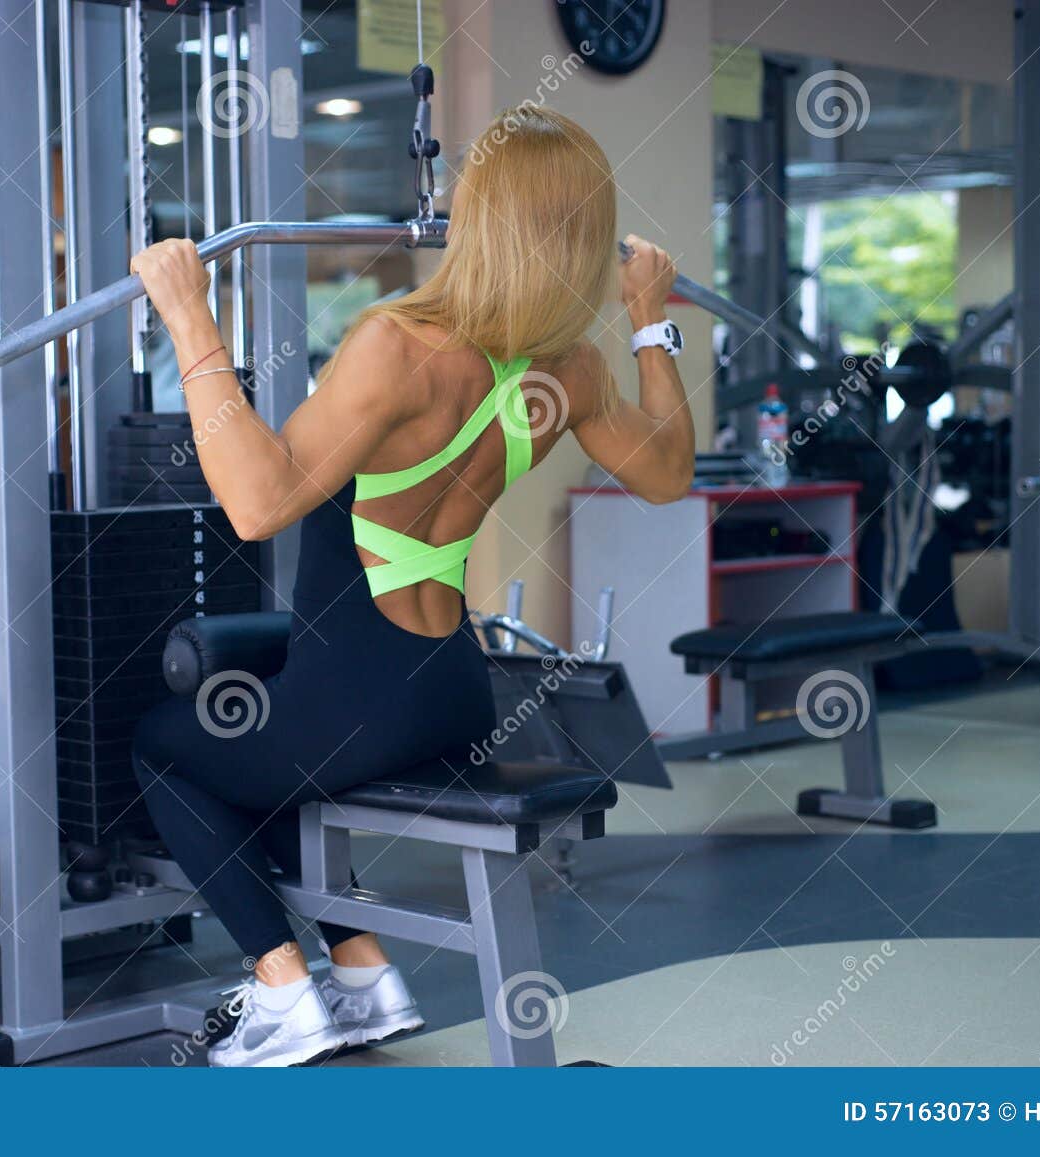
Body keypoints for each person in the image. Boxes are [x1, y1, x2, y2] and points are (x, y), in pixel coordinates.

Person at [127, 106, 695, 1067]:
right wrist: (652, 321)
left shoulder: (397, 346)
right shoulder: (575, 368)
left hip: (353, 701)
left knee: (163, 746)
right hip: (454, 691)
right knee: (258, 732)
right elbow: (670, 473)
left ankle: (279, 985)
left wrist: (189, 315)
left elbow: (258, 503)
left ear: (479, 220)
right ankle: (361, 973)